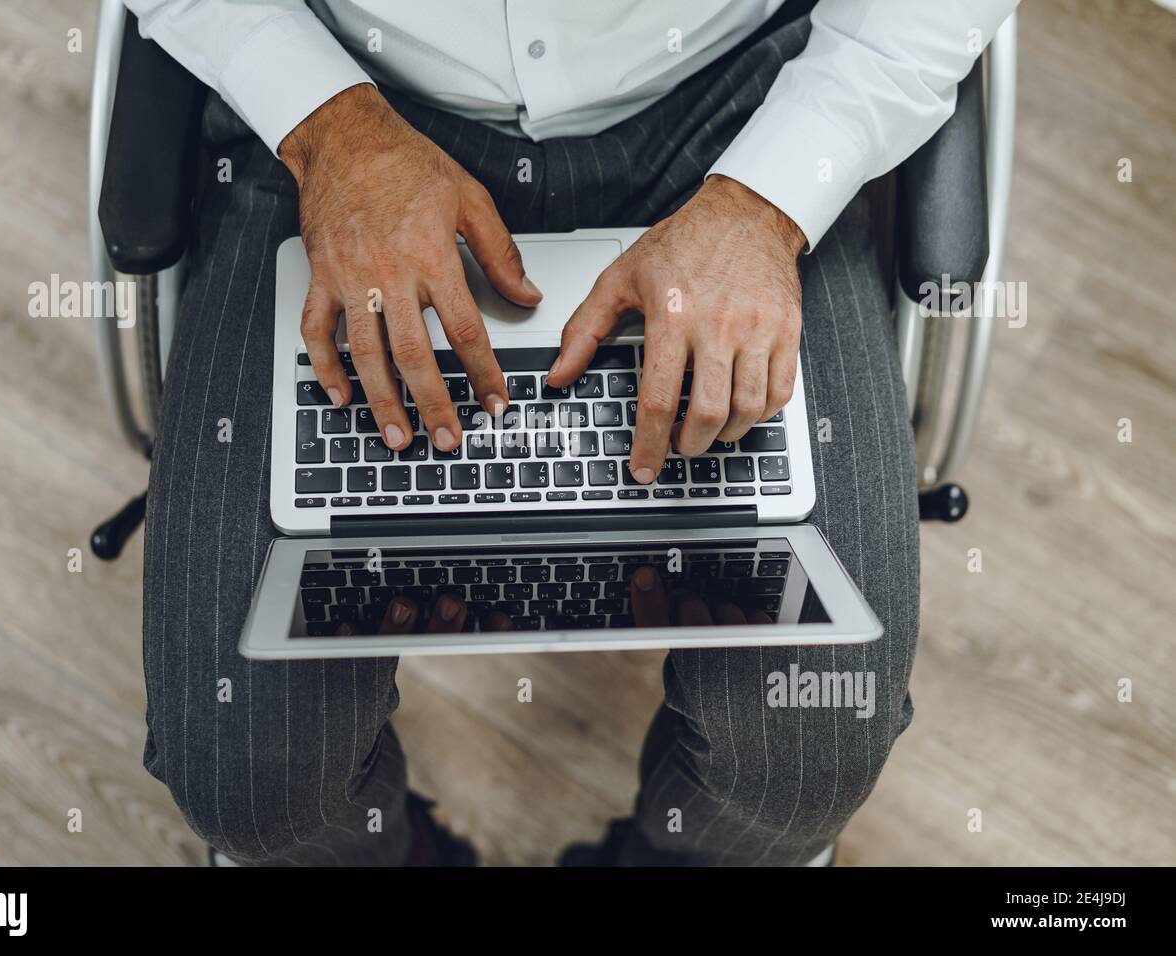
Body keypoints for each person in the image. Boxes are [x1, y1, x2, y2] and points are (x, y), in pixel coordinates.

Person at [128, 0, 1018, 865]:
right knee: (248, 775)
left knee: (803, 755)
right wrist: (324, 122)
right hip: (349, 92)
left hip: (735, 104)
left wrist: (769, 200)